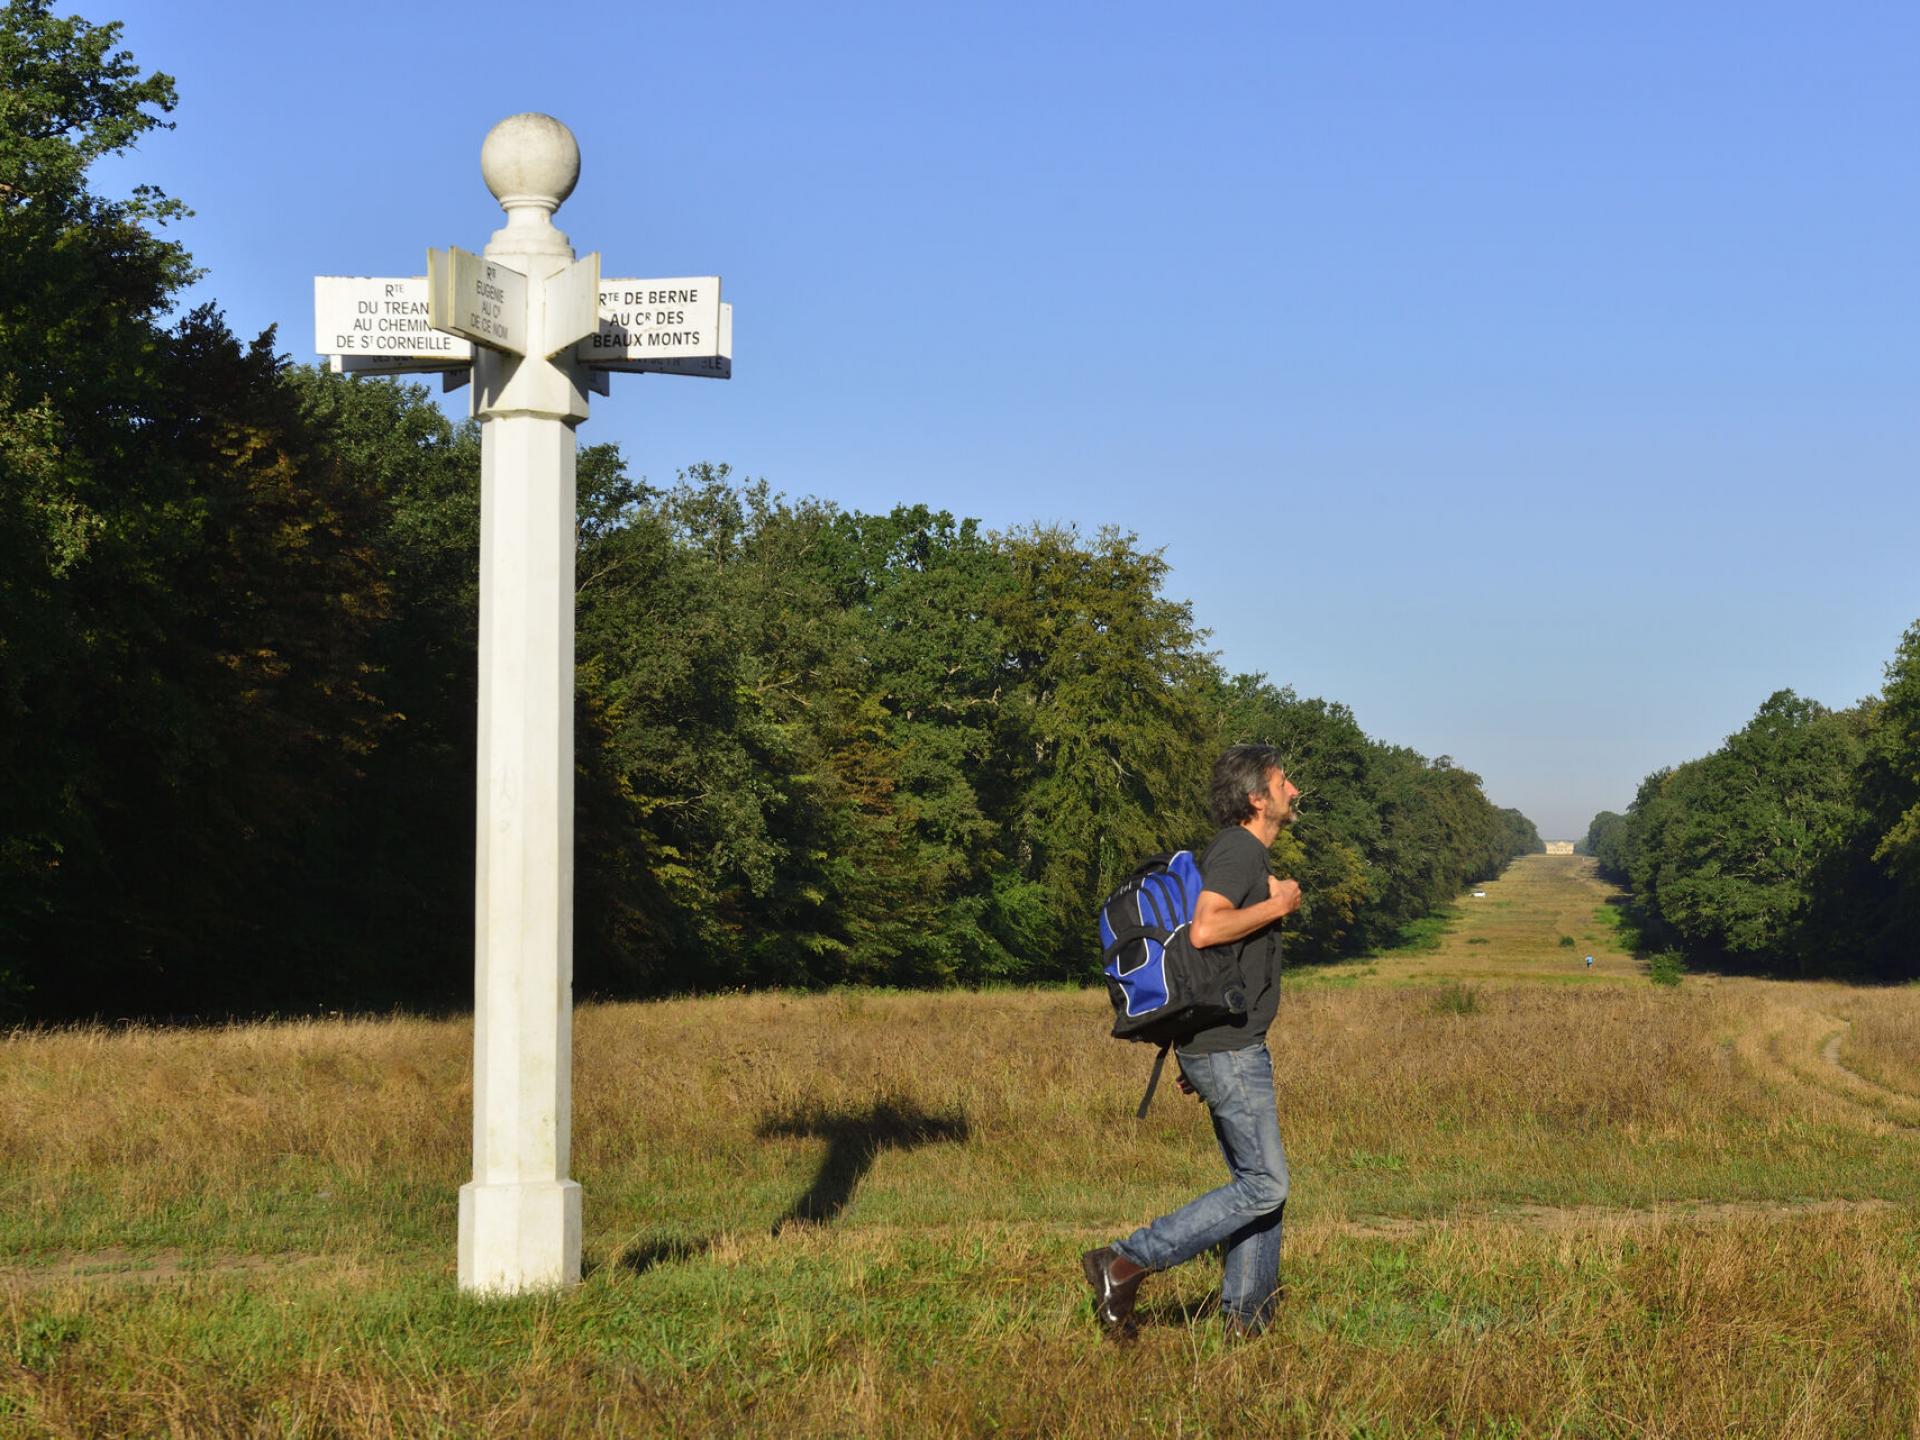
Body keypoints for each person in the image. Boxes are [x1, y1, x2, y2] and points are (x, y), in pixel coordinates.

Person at [1081, 743, 1302, 1340]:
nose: (1293, 791)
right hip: (1230, 1054)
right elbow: (1206, 929)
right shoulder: (1239, 851)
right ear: (1258, 797)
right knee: (1265, 1184)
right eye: (1284, 782)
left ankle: (1246, 1323)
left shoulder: (1242, 852)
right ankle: (1124, 1263)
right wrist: (1279, 903)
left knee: (1257, 1188)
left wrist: (1198, 1045)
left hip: (1223, 1046)